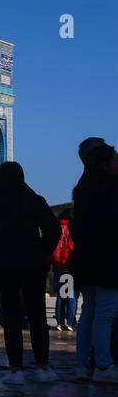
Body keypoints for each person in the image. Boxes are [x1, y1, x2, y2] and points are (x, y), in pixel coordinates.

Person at [0, 161, 61, 385]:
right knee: (37, 315)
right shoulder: (34, 200)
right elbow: (53, 229)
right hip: (32, 265)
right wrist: (41, 251)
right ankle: (42, 367)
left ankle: (16, 370)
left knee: (11, 316)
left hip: (2, 267)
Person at [68, 138, 118, 383]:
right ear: (104, 163)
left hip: (86, 259)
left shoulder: (83, 188)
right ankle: (104, 365)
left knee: (89, 311)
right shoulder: (111, 190)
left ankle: (81, 364)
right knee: (106, 313)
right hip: (108, 260)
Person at [50, 209, 76, 332]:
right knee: (70, 295)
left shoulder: (55, 228)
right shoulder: (71, 228)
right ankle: (69, 322)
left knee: (60, 295)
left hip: (57, 265)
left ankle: (60, 323)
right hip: (69, 265)